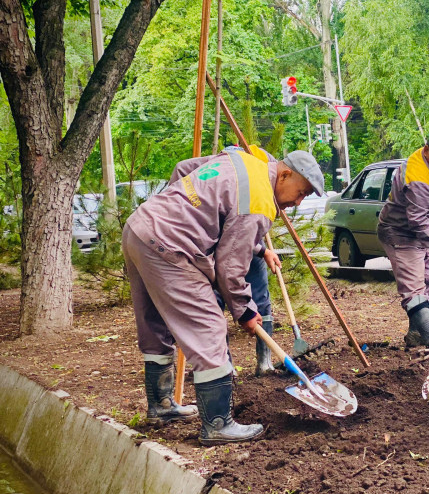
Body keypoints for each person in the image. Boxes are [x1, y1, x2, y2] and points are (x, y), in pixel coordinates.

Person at [122, 148, 324, 445]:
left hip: (140, 228)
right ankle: (217, 424)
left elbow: (183, 168)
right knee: (209, 326)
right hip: (169, 246)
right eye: (301, 192)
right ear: (284, 174)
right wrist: (244, 310)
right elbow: (230, 269)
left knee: (156, 323)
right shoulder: (258, 201)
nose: (297, 202)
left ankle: (161, 405)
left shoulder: (242, 161)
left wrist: (178, 211)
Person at [169, 145, 279, 377]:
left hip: (248, 250)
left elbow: (246, 231)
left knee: (261, 300)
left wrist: (262, 250)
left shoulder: (265, 165)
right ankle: (224, 367)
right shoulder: (225, 164)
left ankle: (264, 363)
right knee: (215, 306)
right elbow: (229, 237)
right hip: (219, 252)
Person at [377, 130, 429, 347]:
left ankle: (416, 334)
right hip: (400, 232)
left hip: (422, 233)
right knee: (413, 283)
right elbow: (417, 220)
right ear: (427, 150)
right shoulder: (417, 177)